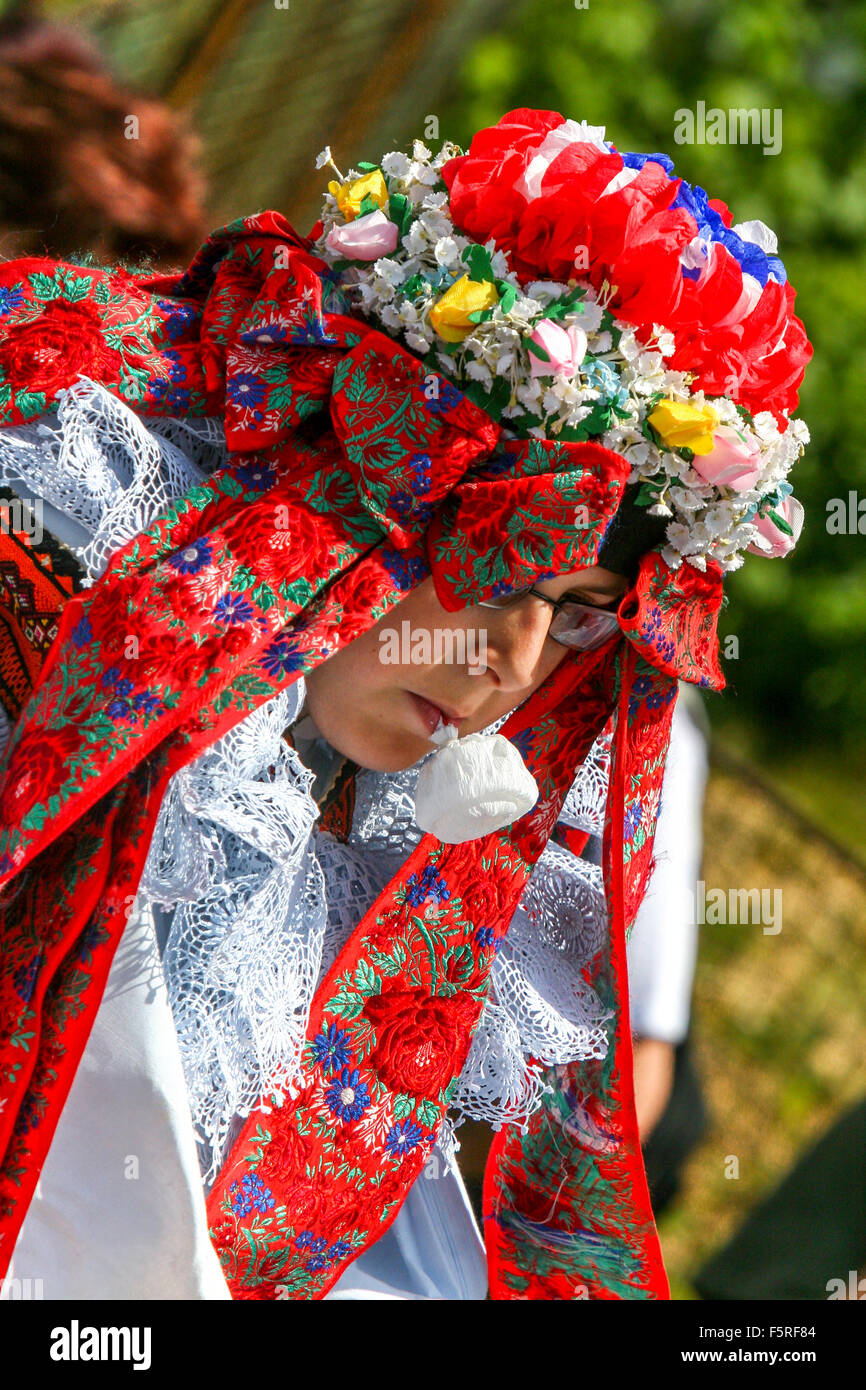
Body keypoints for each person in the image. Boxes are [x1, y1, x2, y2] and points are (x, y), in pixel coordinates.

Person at [0, 109, 811, 1300]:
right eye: (495, 557)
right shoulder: (53, 596)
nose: (511, 663)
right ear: (349, 469)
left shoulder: (373, 864)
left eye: (576, 607)